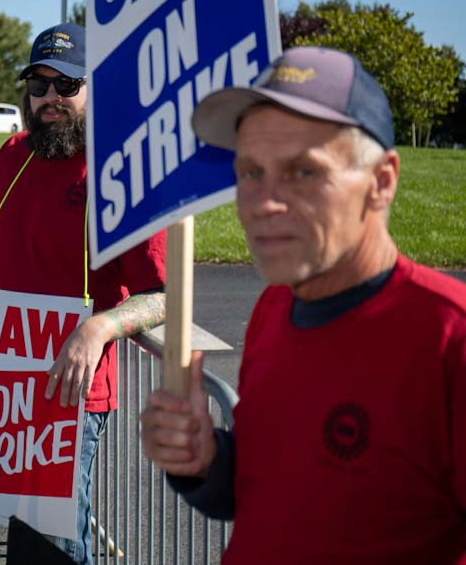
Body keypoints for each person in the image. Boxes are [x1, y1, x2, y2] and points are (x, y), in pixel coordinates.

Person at [140, 46, 466, 564]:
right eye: (250, 172)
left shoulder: (449, 338)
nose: (264, 203)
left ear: (382, 181)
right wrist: (207, 461)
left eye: (304, 172)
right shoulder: (275, 307)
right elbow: (268, 491)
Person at [0, 23, 168, 565]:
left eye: (67, 85)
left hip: (68, 394)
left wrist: (100, 326)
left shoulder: (122, 170)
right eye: (38, 86)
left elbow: (161, 296)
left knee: (47, 552)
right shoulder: (14, 153)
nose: (50, 99)